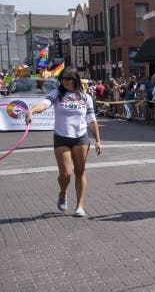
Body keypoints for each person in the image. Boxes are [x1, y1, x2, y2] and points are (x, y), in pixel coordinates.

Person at [24, 67, 101, 217]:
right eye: (62, 78)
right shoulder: (57, 94)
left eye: (67, 78)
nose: (64, 81)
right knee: (66, 174)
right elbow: (44, 104)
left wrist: (98, 140)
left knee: (80, 172)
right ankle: (63, 192)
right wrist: (31, 111)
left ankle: (79, 206)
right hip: (61, 137)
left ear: (75, 80)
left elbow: (92, 119)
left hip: (81, 137)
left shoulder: (85, 97)